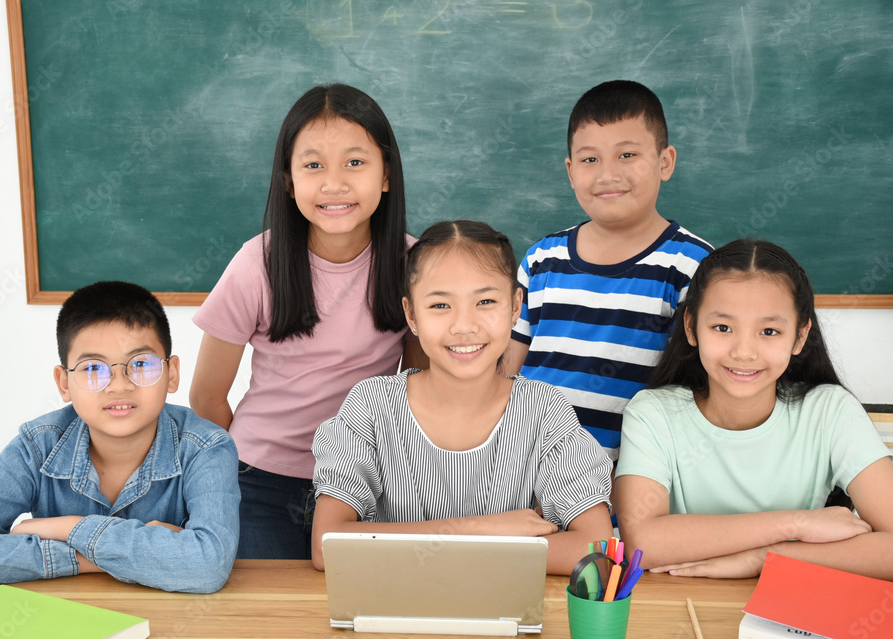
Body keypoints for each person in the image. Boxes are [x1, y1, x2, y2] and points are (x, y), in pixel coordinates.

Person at [190, 83, 424, 559]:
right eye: (313, 165)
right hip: (259, 483)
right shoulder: (257, 263)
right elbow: (206, 397)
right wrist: (236, 474)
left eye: (355, 163)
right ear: (289, 180)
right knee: (269, 622)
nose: (333, 184)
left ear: (385, 175)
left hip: (365, 482)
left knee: (353, 617)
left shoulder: (413, 263)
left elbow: (420, 389)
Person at [311, 220, 613, 575]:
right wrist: (484, 529)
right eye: (440, 306)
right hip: (392, 612)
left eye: (485, 301)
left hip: (504, 615)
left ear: (516, 306)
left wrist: (449, 547)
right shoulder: (373, 406)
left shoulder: (543, 411)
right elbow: (327, 545)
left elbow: (596, 549)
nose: (464, 326)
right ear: (411, 314)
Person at [0, 281, 241, 593]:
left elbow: (209, 565)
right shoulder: (39, 445)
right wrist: (95, 556)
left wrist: (66, 528)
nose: (119, 385)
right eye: (93, 369)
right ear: (64, 383)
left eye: (141, 364)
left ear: (171, 374)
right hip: (64, 625)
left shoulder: (207, 447)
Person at [615, 240, 893, 580]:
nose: (744, 352)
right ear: (691, 327)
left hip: (793, 606)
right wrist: (795, 523)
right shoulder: (653, 413)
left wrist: (765, 558)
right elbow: (643, 544)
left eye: (769, 331)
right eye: (722, 328)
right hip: (683, 606)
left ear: (800, 336)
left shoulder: (830, 412)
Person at [504, 80, 712, 460]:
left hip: (628, 485)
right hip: (524, 476)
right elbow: (505, 376)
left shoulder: (693, 268)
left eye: (627, 155)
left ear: (665, 162)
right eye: (589, 159)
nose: (607, 174)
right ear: (570, 171)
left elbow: (696, 396)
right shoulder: (540, 261)